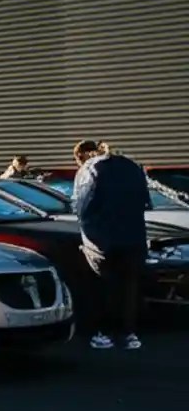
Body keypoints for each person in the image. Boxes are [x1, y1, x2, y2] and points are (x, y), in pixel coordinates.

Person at [72, 139, 150, 350]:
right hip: (134, 237)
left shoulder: (90, 169)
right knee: (128, 288)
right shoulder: (131, 166)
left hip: (103, 239)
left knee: (102, 287)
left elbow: (82, 206)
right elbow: (145, 201)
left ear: (83, 155)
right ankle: (128, 334)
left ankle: (102, 333)